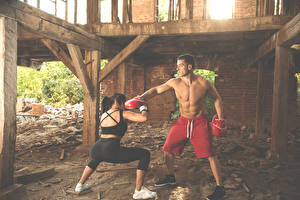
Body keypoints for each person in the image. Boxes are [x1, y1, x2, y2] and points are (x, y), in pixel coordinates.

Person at [136, 54, 226, 200]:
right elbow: (156, 90)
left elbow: (217, 98)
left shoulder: (204, 83)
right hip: (182, 121)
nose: (177, 68)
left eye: (181, 65)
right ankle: (170, 176)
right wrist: (141, 98)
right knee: (167, 149)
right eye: (177, 65)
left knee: (210, 155)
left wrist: (221, 118)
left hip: (200, 123)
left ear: (189, 67)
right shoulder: (175, 82)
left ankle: (220, 188)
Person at [74, 93, 157, 200]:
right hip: (110, 149)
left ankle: (80, 185)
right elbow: (143, 118)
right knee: (145, 154)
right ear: (121, 103)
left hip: (97, 148)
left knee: (95, 160)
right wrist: (143, 108)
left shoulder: (104, 114)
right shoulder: (122, 113)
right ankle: (139, 191)